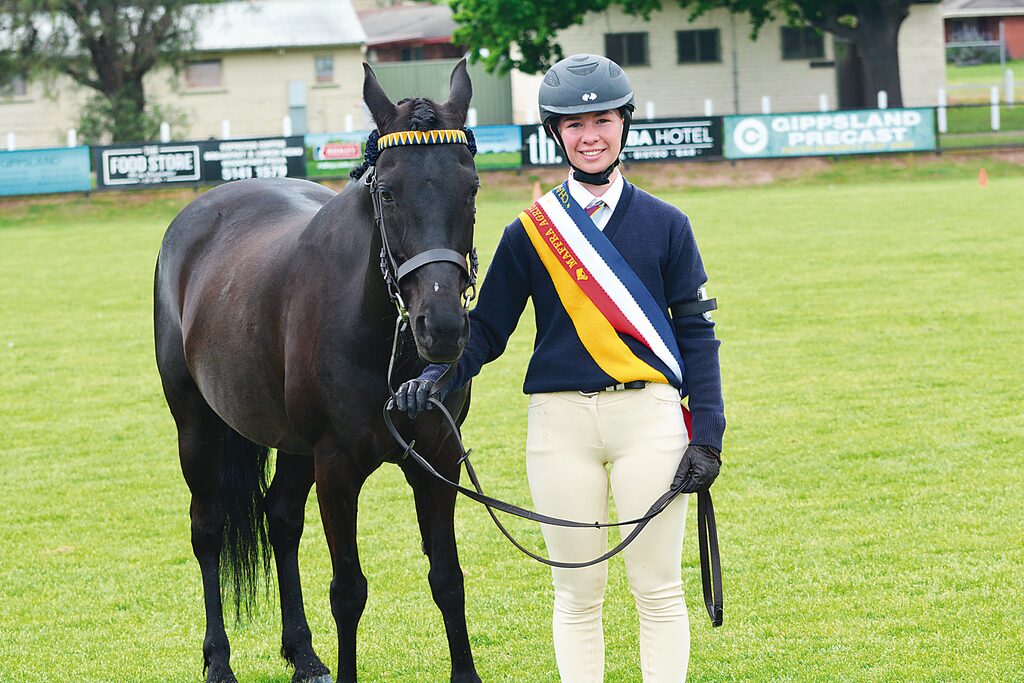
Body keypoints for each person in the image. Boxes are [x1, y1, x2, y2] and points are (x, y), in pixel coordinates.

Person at [395, 53, 725, 683]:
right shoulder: (530, 232)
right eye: (574, 125)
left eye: (602, 120)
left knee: (656, 589)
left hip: (650, 420)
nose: (590, 136)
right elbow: (487, 329)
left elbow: (698, 336)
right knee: (577, 594)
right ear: (556, 134)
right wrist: (437, 376)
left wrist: (707, 435)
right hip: (560, 424)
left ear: (624, 124)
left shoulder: (668, 225)